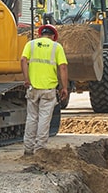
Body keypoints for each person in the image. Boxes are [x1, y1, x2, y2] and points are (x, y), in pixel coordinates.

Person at [21, 24, 69, 156]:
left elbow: (23, 60)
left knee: (31, 118)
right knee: (44, 119)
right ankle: (40, 149)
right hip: (48, 89)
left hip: (33, 88)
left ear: (40, 34)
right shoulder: (56, 47)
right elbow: (63, 67)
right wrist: (64, 87)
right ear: (53, 36)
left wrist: (27, 79)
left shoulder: (30, 45)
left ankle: (28, 149)